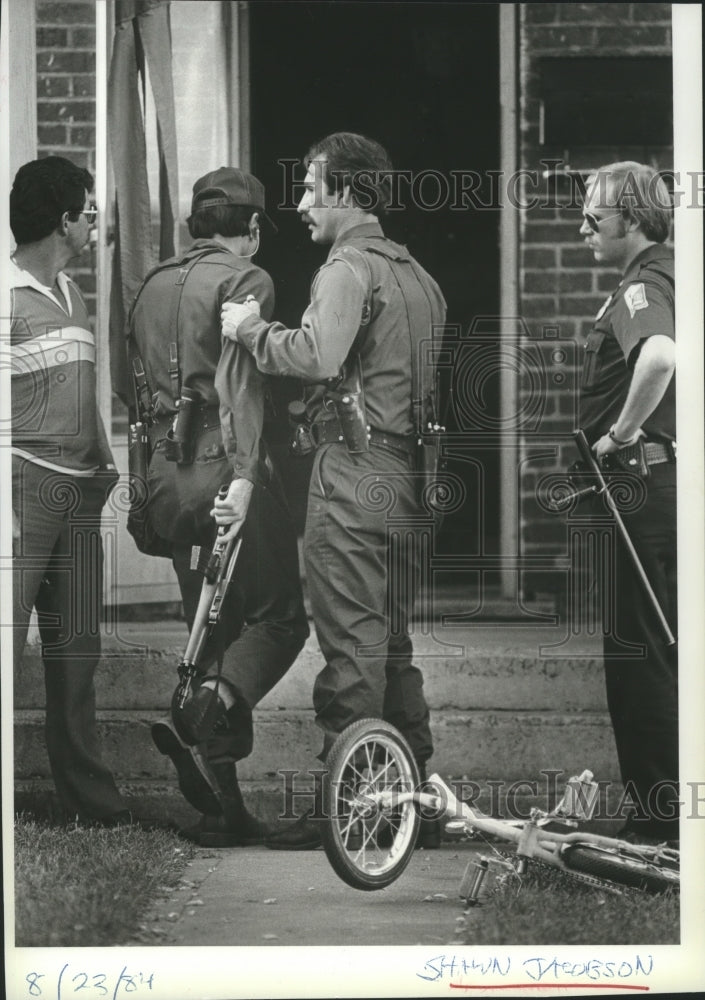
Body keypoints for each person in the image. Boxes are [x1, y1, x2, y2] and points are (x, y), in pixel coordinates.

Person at [221, 132, 447, 849]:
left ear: (346, 194)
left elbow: (318, 355)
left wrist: (253, 331)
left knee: (352, 645)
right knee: (394, 647)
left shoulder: (347, 267)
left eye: (310, 188)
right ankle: (414, 807)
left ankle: (348, 810)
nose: (299, 204)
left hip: (352, 475)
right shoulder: (418, 275)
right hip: (407, 478)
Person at [127, 168, 309, 847]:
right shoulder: (247, 281)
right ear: (253, 229)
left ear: (194, 226)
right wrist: (245, 475)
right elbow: (241, 391)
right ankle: (195, 716)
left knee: (209, 636)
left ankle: (221, 811)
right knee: (278, 620)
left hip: (165, 478)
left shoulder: (149, 286)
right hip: (229, 474)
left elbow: (131, 388)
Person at [10, 155, 131, 826]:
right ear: (64, 220)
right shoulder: (4, 292)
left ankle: (93, 804)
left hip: (77, 497)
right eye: (90, 213)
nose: (95, 225)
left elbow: (77, 395)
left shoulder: (72, 292)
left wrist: (103, 462)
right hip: (23, 492)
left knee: (76, 654)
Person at [578, 161, 678, 845]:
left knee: (639, 655)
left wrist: (618, 433)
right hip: (655, 490)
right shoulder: (665, 274)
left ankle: (656, 825)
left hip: (637, 491)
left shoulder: (644, 284)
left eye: (595, 215)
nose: (582, 225)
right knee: (658, 649)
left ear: (634, 220)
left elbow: (659, 357)